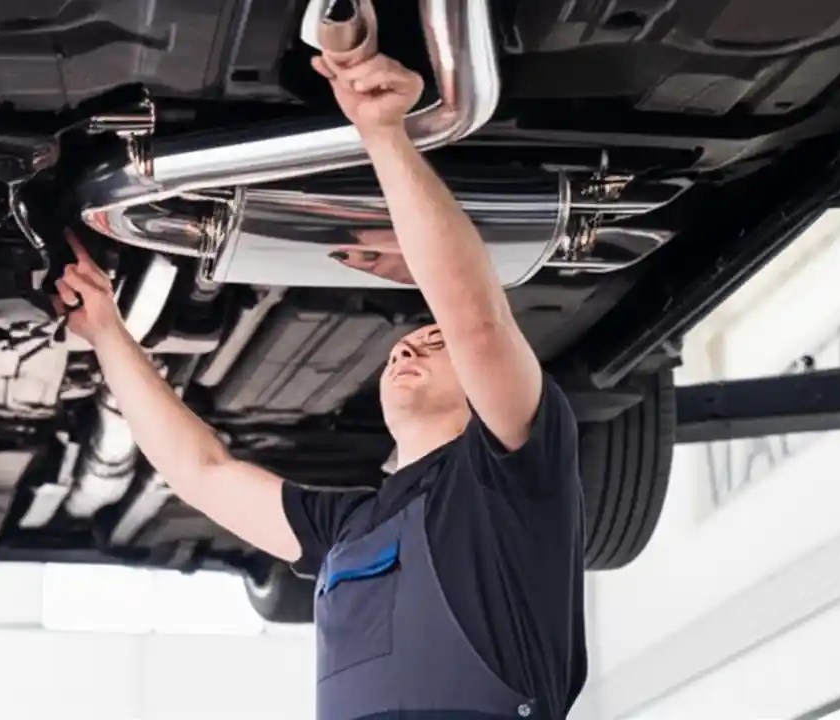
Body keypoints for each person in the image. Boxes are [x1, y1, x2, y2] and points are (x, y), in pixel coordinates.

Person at [53, 51, 586, 720]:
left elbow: (474, 315)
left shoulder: (510, 475)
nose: (412, 342)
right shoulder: (363, 524)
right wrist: (108, 333)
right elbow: (204, 468)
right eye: (412, 338)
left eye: (432, 339)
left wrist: (384, 135)